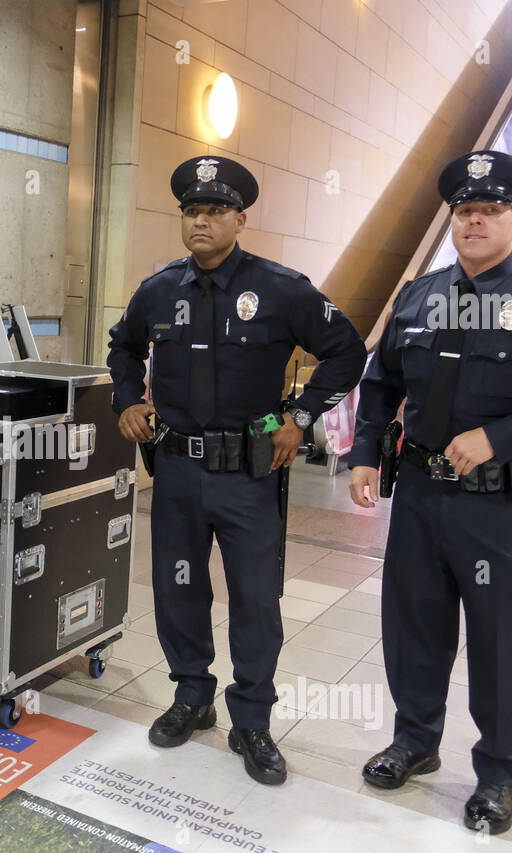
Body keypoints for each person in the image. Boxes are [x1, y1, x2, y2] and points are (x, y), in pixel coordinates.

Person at [348, 150, 512, 834]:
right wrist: (365, 454)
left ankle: (497, 774)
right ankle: (415, 742)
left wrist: (499, 435)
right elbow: (381, 386)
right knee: (413, 628)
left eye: (490, 210)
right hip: (420, 500)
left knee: (498, 642)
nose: (475, 221)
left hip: (503, 505)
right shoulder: (417, 296)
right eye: (465, 210)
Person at [107, 156, 366, 784]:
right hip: (174, 473)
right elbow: (122, 345)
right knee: (177, 589)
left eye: (215, 210)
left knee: (255, 599)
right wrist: (126, 400)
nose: (202, 221)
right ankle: (191, 696)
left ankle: (251, 720)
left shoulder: (282, 289)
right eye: (192, 211)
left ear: (239, 218)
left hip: (249, 476)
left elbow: (346, 351)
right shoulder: (159, 289)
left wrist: (301, 415)